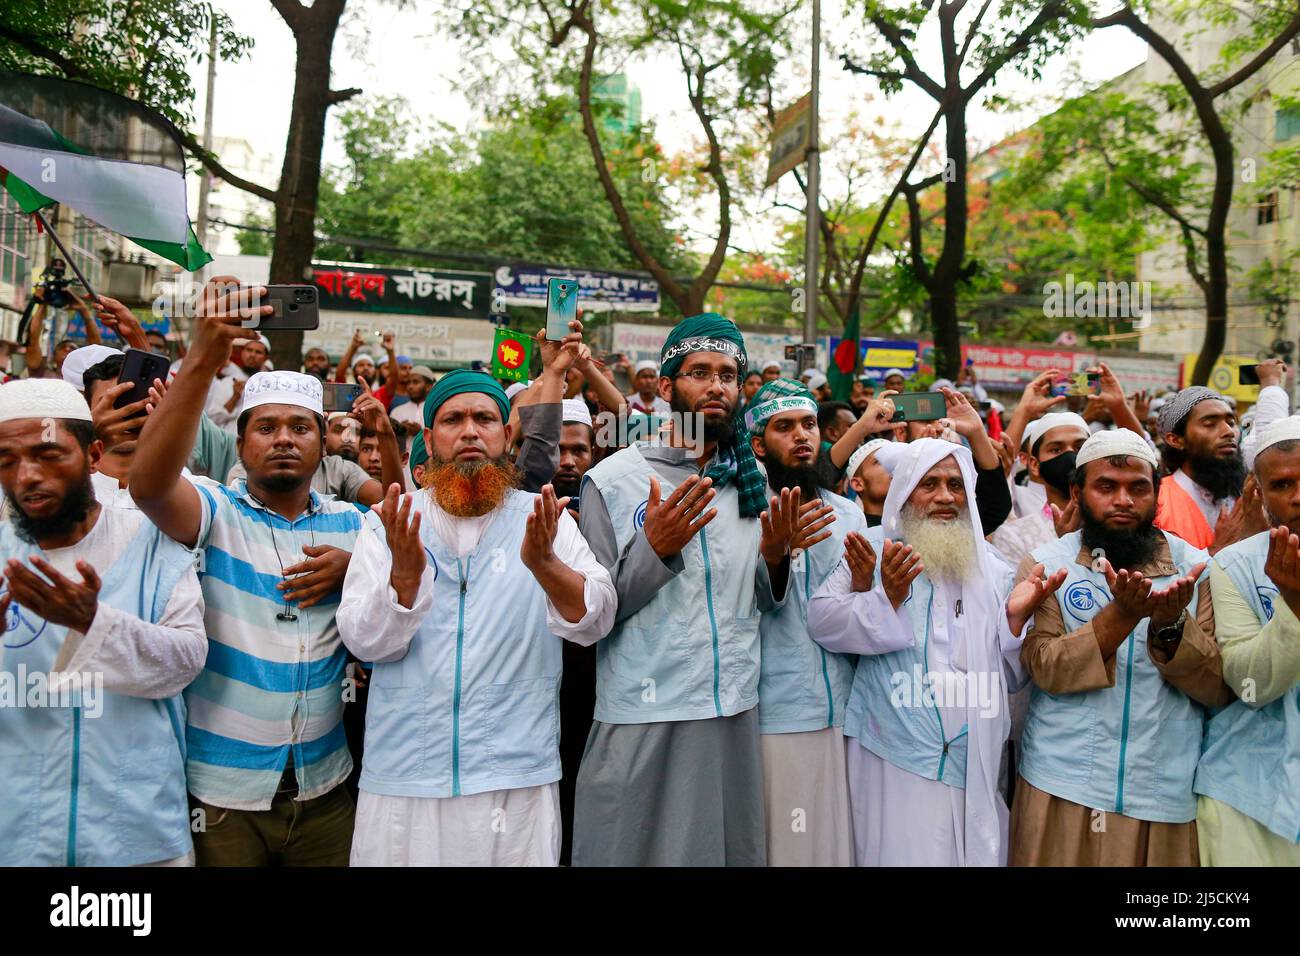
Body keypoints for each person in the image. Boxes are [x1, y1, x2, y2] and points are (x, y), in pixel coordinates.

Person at [336, 369, 616, 865]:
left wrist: (546, 565)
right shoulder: (390, 522)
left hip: (515, 776)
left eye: (484, 418)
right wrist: (404, 577)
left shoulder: (544, 518)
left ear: (508, 435)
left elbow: (595, 620)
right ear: (429, 439)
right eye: (453, 419)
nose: (470, 431)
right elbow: (364, 642)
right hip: (405, 774)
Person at [130, 278, 364, 867]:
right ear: (239, 441)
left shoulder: (355, 526)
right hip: (221, 796)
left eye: (301, 427)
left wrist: (357, 571)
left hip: (328, 789)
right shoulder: (215, 509)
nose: (284, 438)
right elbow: (150, 485)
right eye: (266, 427)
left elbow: (417, 583)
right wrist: (203, 358)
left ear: (322, 445)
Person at [573, 312, 811, 866]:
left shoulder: (750, 480)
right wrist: (655, 547)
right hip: (644, 707)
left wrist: (775, 560)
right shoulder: (612, 482)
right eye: (699, 372)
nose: (716, 386)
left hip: (731, 706)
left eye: (728, 374)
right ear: (665, 386)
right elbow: (592, 615)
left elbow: (756, 599)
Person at [807, 437, 1059, 865]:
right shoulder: (870, 548)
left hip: (972, 762)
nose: (945, 497)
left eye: (956, 485)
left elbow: (1013, 678)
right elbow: (823, 622)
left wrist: (1015, 624)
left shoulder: (994, 569)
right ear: (905, 492)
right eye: (930, 484)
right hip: (892, 752)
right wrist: (883, 597)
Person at [0, 379, 207, 865]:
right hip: (17, 834)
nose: (28, 475)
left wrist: (97, 623)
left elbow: (186, 662)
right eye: (8, 461)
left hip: (134, 832)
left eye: (48, 454)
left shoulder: (149, 540)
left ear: (93, 454)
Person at [1010, 429, 1231, 866]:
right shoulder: (1048, 565)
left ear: (1156, 491)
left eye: (1137, 488)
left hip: (1160, 790)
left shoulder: (1196, 567)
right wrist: (1122, 616)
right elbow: (1045, 668)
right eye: (1106, 487)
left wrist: (1169, 627)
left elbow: (1217, 688)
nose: (1123, 500)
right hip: (1063, 784)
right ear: (1078, 491)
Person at [747, 379, 865, 866]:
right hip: (779, 712)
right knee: (788, 845)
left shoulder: (849, 515)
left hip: (850, 711)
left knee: (839, 846)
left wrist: (869, 587)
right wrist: (774, 553)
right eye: (784, 427)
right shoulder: (740, 514)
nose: (802, 436)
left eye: (810, 425)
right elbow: (743, 606)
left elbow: (864, 614)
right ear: (758, 444)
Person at [1196, 417, 1300, 865]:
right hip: (1249, 797)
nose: (1298, 496)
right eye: (1282, 483)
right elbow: (1249, 686)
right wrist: (1293, 604)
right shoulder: (1235, 566)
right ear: (1258, 490)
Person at [989, 412, 1090, 568]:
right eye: (1056, 450)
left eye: (1080, 448)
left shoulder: (1115, 524)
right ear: (1035, 465)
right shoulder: (1014, 536)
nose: (1071, 456)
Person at [1154, 386, 1248, 551]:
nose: (1229, 432)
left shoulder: (1250, 497)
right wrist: (1217, 549)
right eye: (1210, 424)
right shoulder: (1156, 500)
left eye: (1231, 422)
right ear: (1176, 440)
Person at [205, 334, 270, 435]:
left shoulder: (270, 385)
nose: (252, 355)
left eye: (258, 352)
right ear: (242, 353)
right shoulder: (228, 382)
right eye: (249, 350)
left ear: (266, 358)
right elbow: (214, 419)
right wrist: (235, 397)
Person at [391, 365, 435, 439]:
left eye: (415, 382)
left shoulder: (435, 411)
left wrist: (420, 434)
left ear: (428, 386)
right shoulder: (396, 411)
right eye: (408, 382)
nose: (410, 386)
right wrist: (399, 432)